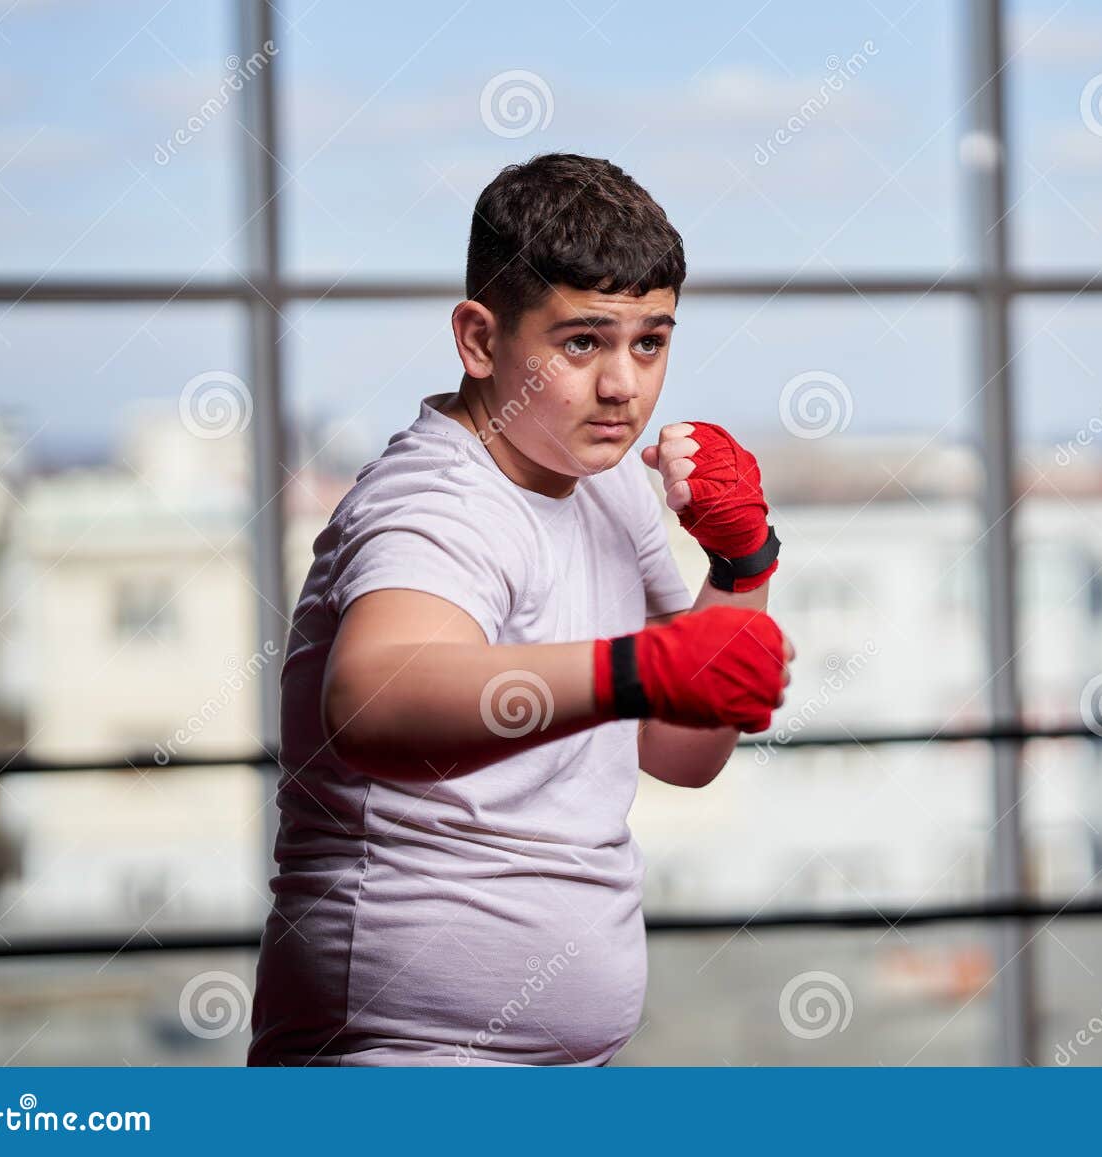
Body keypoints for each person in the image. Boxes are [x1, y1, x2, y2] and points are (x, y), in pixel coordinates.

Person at [248, 153, 793, 1066]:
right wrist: (636, 667)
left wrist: (742, 561)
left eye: (650, 341)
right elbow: (377, 701)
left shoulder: (609, 488)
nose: (623, 384)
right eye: (582, 342)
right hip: (395, 1054)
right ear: (478, 340)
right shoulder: (432, 500)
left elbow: (680, 751)